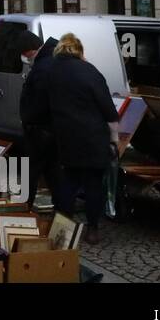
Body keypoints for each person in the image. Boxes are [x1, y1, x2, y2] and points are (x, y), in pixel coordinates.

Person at [45, 34, 120, 245]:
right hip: (93, 136)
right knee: (93, 184)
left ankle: (63, 228)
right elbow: (107, 108)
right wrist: (114, 139)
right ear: (79, 50)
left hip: (66, 136)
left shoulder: (51, 72)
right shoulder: (90, 71)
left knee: (69, 182)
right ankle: (93, 229)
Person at [17, 32, 63, 209]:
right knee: (52, 171)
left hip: (41, 129)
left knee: (34, 170)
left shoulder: (44, 65)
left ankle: (25, 205)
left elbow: (40, 99)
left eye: (25, 53)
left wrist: (29, 120)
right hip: (48, 128)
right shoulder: (49, 60)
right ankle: (61, 207)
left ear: (30, 50)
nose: (25, 57)